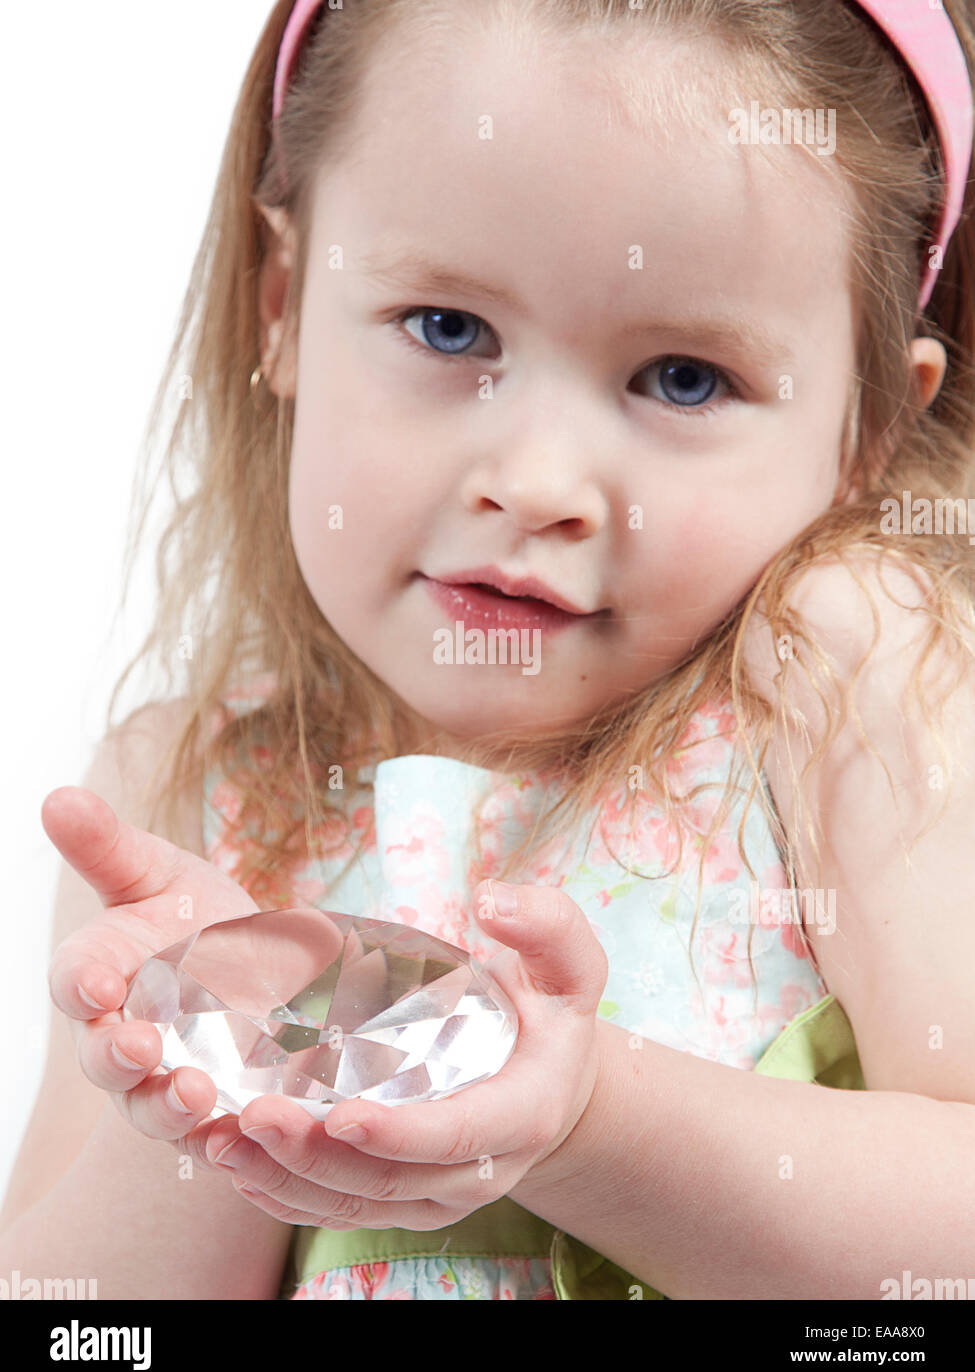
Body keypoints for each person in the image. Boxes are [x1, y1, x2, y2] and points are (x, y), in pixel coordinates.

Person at [3, 0, 975, 1301]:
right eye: (449, 330)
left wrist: (588, 1122)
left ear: (864, 436)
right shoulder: (193, 787)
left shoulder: (848, 676)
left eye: (684, 377)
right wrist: (210, 1079)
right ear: (283, 302)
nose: (535, 481)